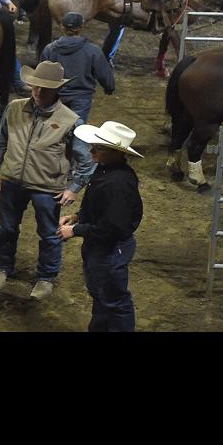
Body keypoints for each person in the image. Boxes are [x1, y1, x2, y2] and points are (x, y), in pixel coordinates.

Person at [0, 60, 91, 301]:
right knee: (6, 228)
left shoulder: (70, 120)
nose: (37, 92)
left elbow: (86, 159)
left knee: (49, 234)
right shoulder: (14, 109)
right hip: (12, 181)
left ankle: (46, 276)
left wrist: (74, 187)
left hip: (48, 188)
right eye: (35, 86)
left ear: (57, 90)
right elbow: (0, 141)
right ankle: (2, 268)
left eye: (44, 88)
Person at [60, 120, 142, 332]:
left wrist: (75, 231)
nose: (91, 150)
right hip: (103, 247)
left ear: (116, 152)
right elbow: (102, 209)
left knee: (113, 300)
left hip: (109, 249)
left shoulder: (118, 183)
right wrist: (78, 216)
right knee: (102, 295)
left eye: (99, 148)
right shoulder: (106, 170)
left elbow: (112, 226)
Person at [40, 12, 115, 124]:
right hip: (81, 98)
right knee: (77, 130)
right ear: (81, 27)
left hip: (55, 96)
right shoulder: (93, 50)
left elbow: (42, 75)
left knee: (54, 129)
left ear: (62, 27)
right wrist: (109, 87)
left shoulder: (49, 49)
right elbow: (103, 73)